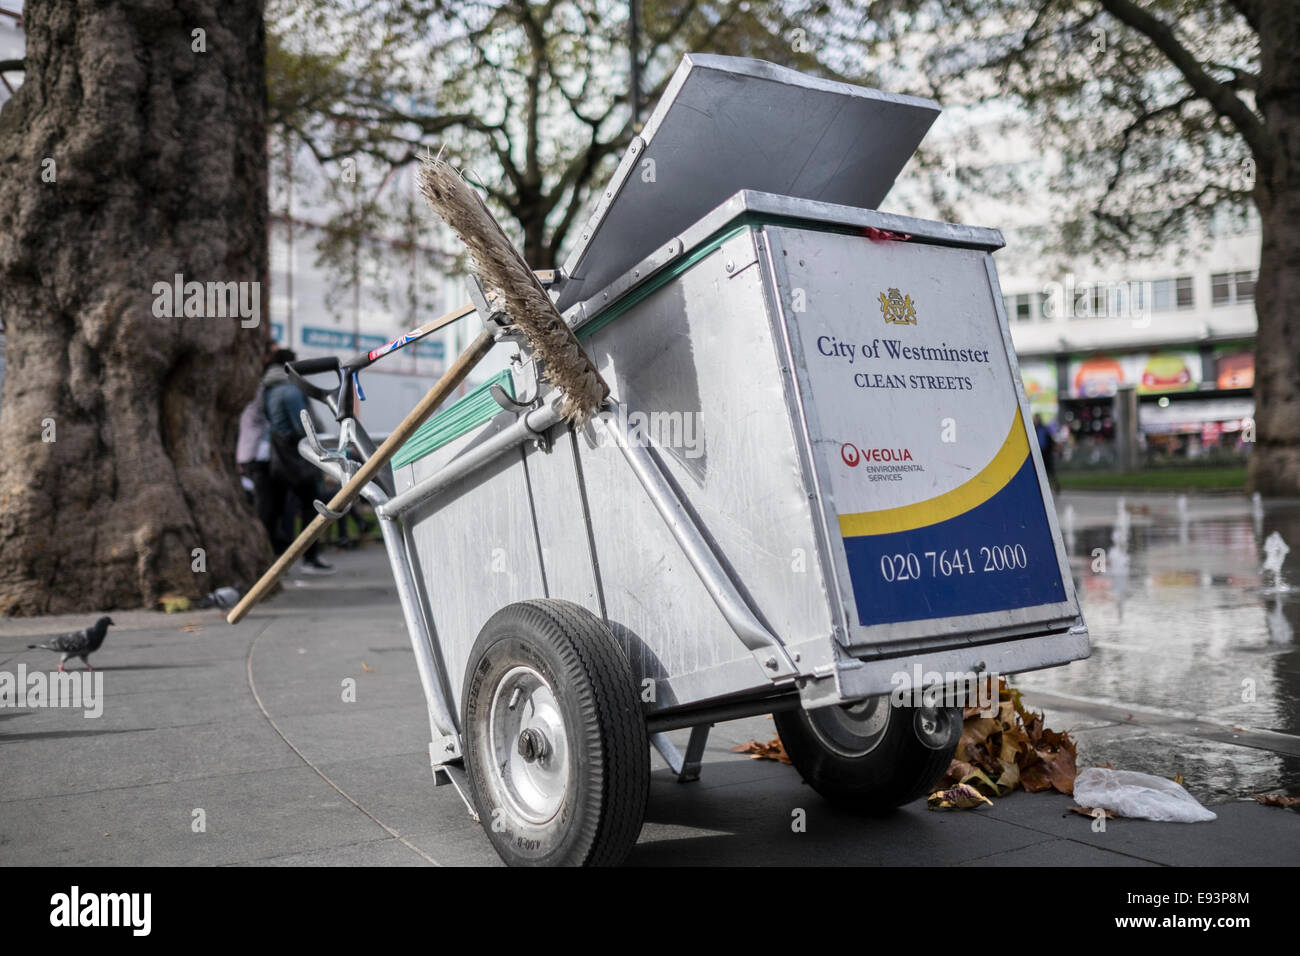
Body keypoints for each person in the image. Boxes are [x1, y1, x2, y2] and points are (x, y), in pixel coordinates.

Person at [263, 348, 334, 574]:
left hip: (278, 455)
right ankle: (311, 558)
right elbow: (303, 424)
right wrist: (318, 445)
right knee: (311, 507)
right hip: (298, 455)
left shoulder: (267, 390)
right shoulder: (290, 390)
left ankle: (275, 557)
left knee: (277, 509)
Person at [237, 340, 279, 538]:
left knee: (260, 501)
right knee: (263, 504)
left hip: (247, 452)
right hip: (256, 453)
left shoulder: (249, 383)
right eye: (272, 354)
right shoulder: (259, 386)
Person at [1034, 413, 1058, 493]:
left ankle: (1056, 487)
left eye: (1036, 419)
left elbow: (1050, 440)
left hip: (1047, 453)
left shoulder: (1043, 429)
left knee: (1051, 471)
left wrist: (1054, 447)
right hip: (1039, 454)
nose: (1035, 421)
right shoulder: (1034, 429)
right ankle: (1045, 489)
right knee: (1041, 472)